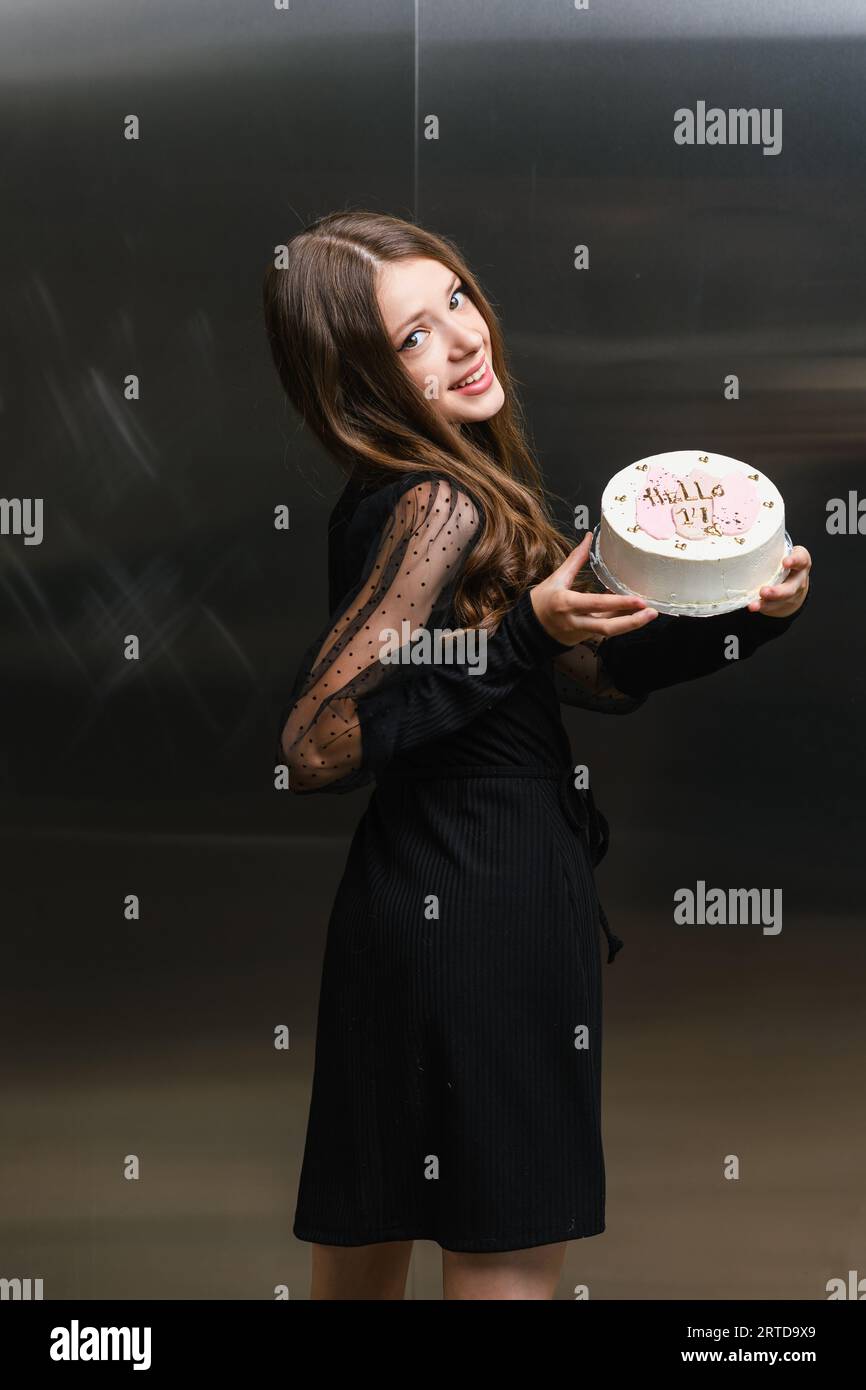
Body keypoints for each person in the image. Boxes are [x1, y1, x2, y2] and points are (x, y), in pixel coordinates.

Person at [262, 209, 812, 1300]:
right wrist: (525, 632)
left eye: (454, 300)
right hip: (486, 906)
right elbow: (319, 737)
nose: (461, 339)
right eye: (411, 337)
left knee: (357, 1279)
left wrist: (747, 616)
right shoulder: (438, 498)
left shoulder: (425, 488)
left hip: (410, 904)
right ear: (361, 381)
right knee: (502, 1269)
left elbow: (576, 682)